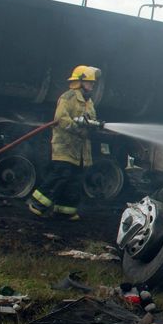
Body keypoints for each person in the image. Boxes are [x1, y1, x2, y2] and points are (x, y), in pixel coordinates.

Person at [27, 65, 103, 221]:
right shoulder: (68, 98)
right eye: (90, 82)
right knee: (61, 175)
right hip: (65, 146)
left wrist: (94, 126)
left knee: (74, 180)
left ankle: (65, 211)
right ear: (80, 82)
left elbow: (90, 120)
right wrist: (79, 129)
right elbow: (61, 119)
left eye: (93, 83)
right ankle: (37, 204)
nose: (92, 85)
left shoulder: (89, 102)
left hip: (80, 150)